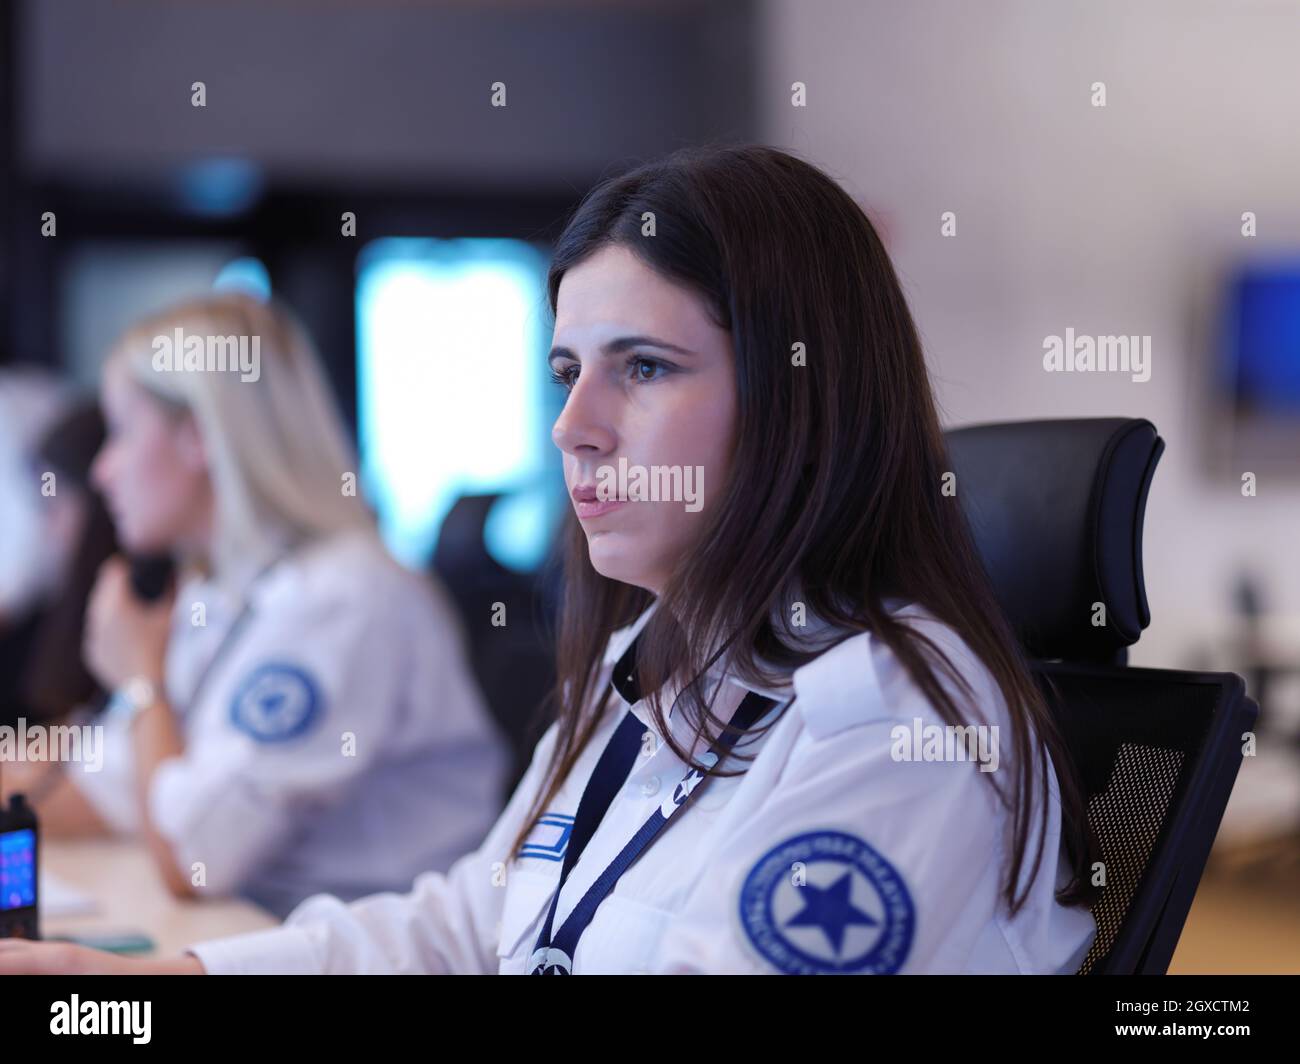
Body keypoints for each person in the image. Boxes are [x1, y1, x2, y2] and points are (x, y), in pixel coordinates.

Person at [0, 144, 1098, 974]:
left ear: (796, 394)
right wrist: (170, 982)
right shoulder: (659, 660)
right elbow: (474, 919)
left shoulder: (901, 721)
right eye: (566, 369)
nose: (575, 423)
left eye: (647, 366)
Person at [0, 292, 508, 918]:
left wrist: (141, 684)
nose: (104, 472)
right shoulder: (222, 592)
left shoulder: (343, 601)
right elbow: (102, 786)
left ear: (197, 437)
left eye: (123, 433)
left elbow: (195, 859)